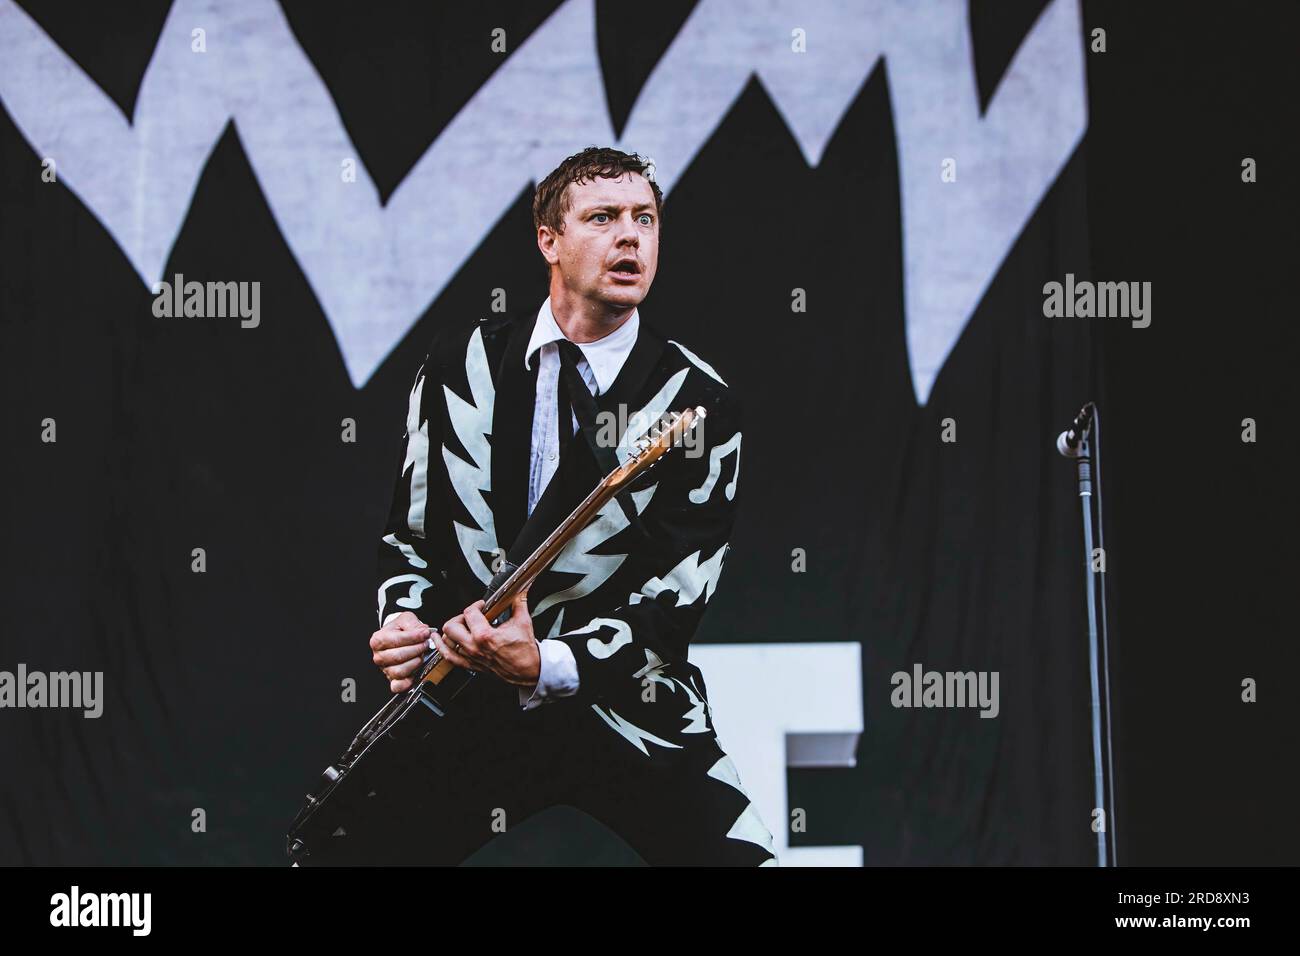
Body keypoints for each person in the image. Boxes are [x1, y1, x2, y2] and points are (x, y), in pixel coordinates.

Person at [318, 146, 775, 866]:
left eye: (645, 219)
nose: (631, 237)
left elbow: (674, 604)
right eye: (603, 218)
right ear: (549, 241)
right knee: (337, 855)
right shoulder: (456, 365)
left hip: (626, 705)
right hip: (465, 698)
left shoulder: (697, 403)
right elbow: (410, 538)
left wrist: (544, 662)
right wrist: (402, 619)